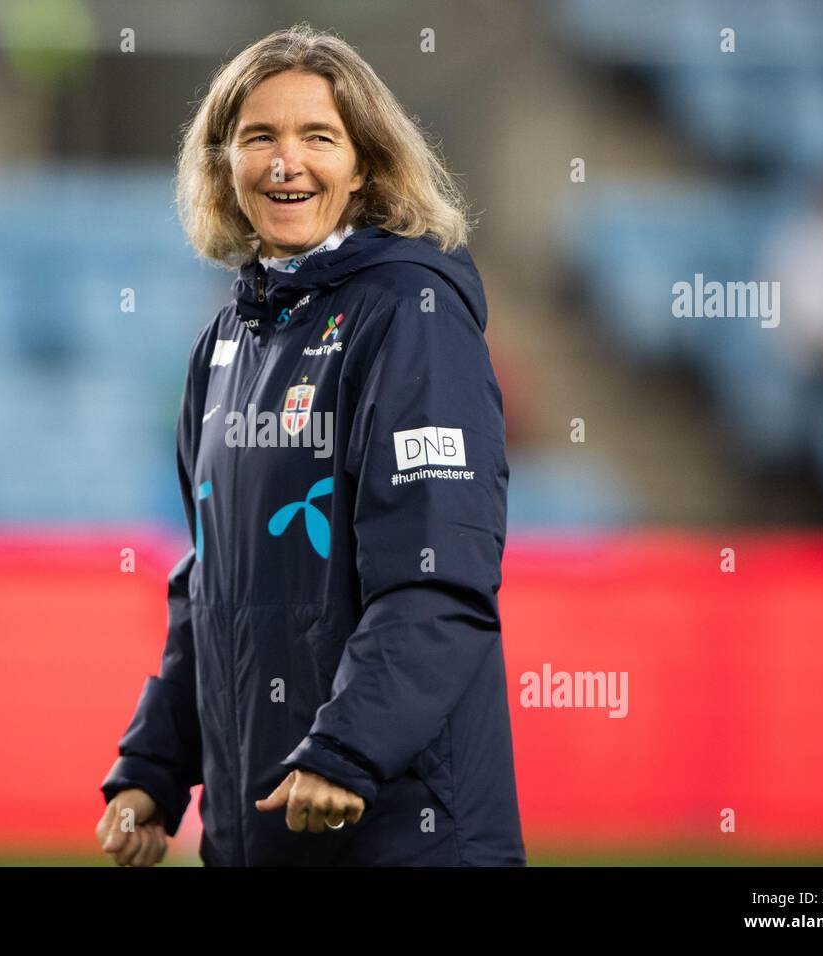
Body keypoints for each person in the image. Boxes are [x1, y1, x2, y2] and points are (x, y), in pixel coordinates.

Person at [95, 22, 525, 866]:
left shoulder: (414, 315)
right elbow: (211, 588)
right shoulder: (225, 342)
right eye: (259, 137)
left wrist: (348, 749)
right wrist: (155, 766)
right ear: (224, 164)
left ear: (363, 164)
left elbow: (437, 574)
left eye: (317, 137)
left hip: (404, 833)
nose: (285, 162)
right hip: (260, 828)